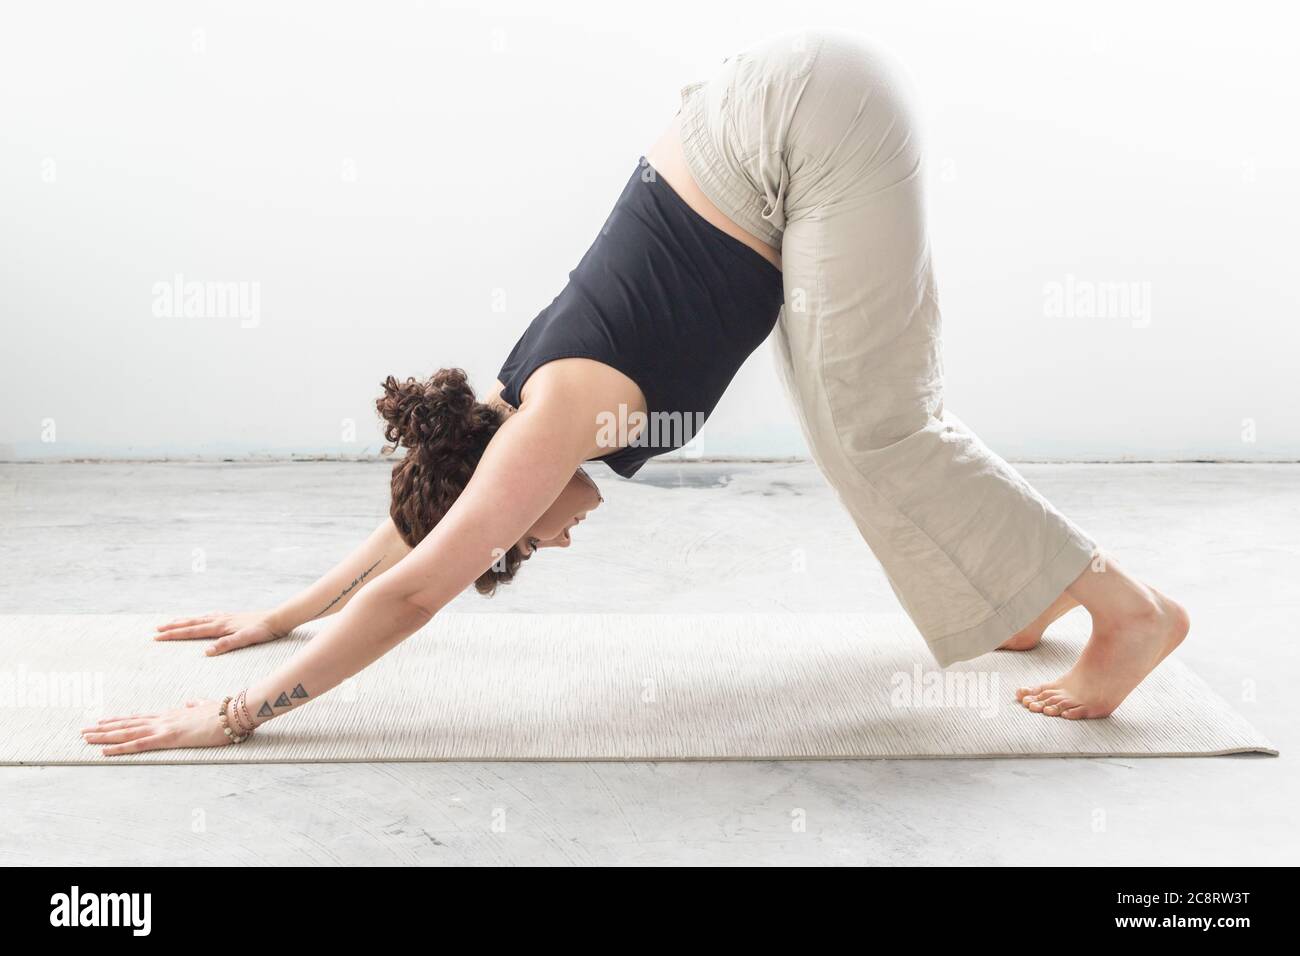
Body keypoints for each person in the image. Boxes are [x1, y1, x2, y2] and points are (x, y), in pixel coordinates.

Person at [82, 29, 1188, 756]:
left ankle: (1128, 611)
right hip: (765, 118)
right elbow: (414, 533)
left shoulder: (557, 416)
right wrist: (278, 612)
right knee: (853, 423)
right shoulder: (513, 405)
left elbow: (416, 591)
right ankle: (1025, 590)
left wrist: (234, 715)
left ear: (502, 485)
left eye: (521, 541)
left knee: (878, 425)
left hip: (802, 123)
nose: (545, 543)